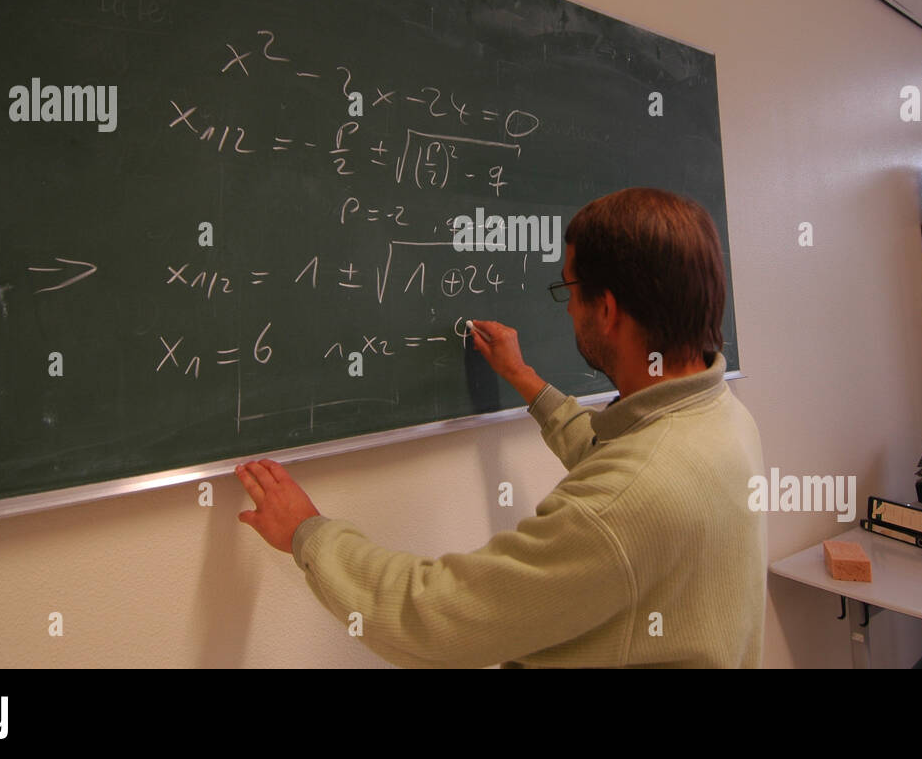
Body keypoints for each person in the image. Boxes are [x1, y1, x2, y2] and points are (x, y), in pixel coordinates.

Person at [235, 187, 765, 667]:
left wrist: (308, 533)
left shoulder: (625, 499)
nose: (566, 309)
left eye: (570, 288)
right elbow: (623, 465)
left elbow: (436, 620)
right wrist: (526, 380)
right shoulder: (720, 418)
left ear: (606, 309)